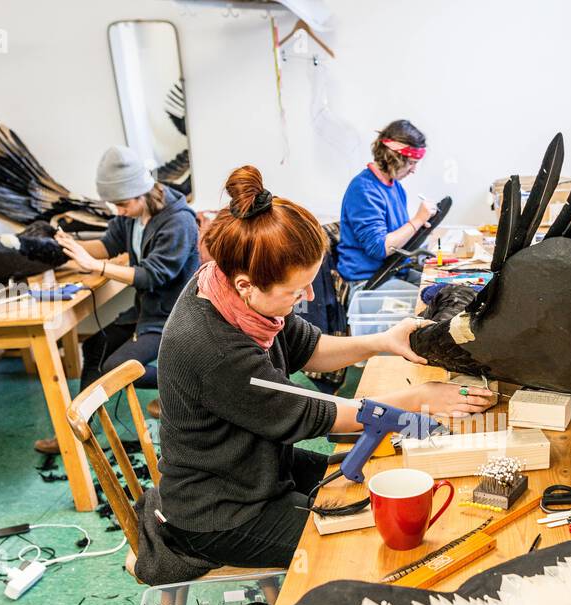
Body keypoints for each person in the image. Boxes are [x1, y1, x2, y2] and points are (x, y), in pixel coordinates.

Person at [155, 165, 494, 569]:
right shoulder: (212, 346)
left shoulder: (231, 289)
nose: (309, 296)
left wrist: (383, 342)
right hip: (220, 510)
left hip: (255, 467)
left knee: (374, 484)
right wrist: (419, 398)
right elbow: (311, 414)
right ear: (246, 285)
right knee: (366, 543)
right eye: (297, 290)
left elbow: (309, 347)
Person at [34, 145, 199, 453]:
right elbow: (108, 244)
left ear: (143, 192)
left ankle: (198, 383)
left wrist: (96, 267)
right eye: (115, 204)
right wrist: (69, 253)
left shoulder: (179, 221)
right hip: (147, 311)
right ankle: (81, 430)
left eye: (122, 203)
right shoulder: (131, 217)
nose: (118, 210)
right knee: (94, 346)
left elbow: (153, 275)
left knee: (118, 367)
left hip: (177, 316)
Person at [336, 119, 434, 295]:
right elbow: (379, 248)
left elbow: (398, 238)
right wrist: (417, 220)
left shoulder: (395, 187)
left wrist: (420, 228)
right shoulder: (364, 189)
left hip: (393, 272)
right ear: (394, 157)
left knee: (441, 289)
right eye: (411, 162)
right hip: (368, 282)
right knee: (431, 302)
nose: (413, 170)